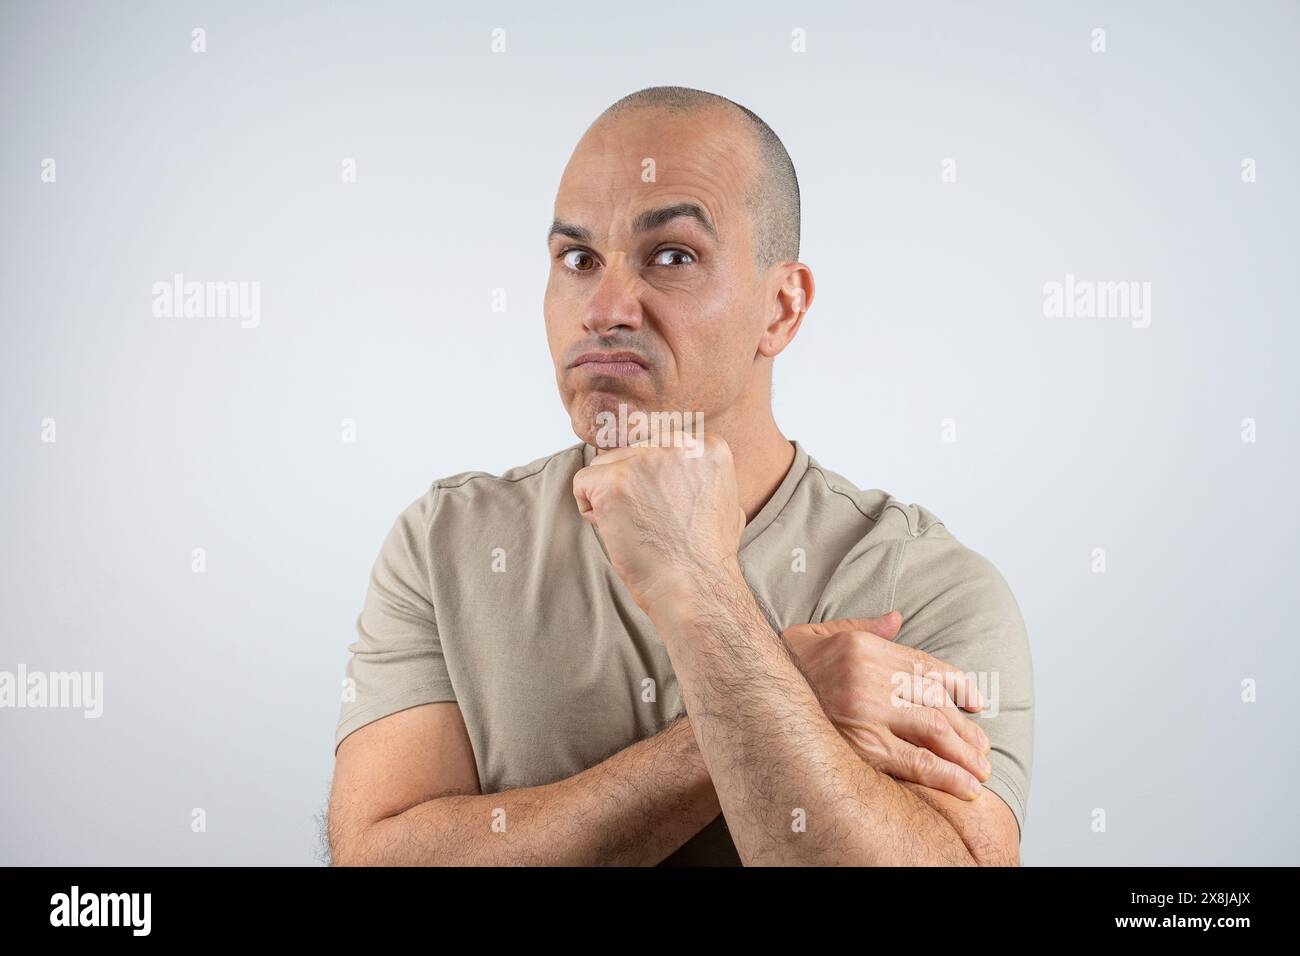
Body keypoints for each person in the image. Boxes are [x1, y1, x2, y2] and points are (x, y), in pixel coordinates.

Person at [327, 86, 1033, 866]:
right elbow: (378, 855)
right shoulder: (445, 543)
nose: (604, 307)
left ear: (783, 308)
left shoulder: (926, 587)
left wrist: (699, 586)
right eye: (577, 259)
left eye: (672, 256)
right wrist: (786, 701)